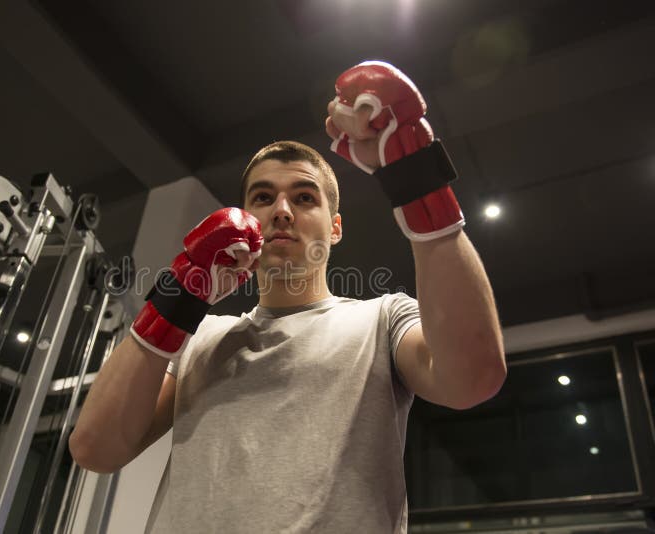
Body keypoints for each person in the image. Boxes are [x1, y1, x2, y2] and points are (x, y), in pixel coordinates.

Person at [69, 61, 506, 533]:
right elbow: (96, 449)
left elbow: (473, 378)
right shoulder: (201, 338)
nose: (281, 210)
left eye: (304, 198)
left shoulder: (382, 320)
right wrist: (178, 300)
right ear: (244, 217)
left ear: (334, 227)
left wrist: (419, 183)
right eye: (262, 198)